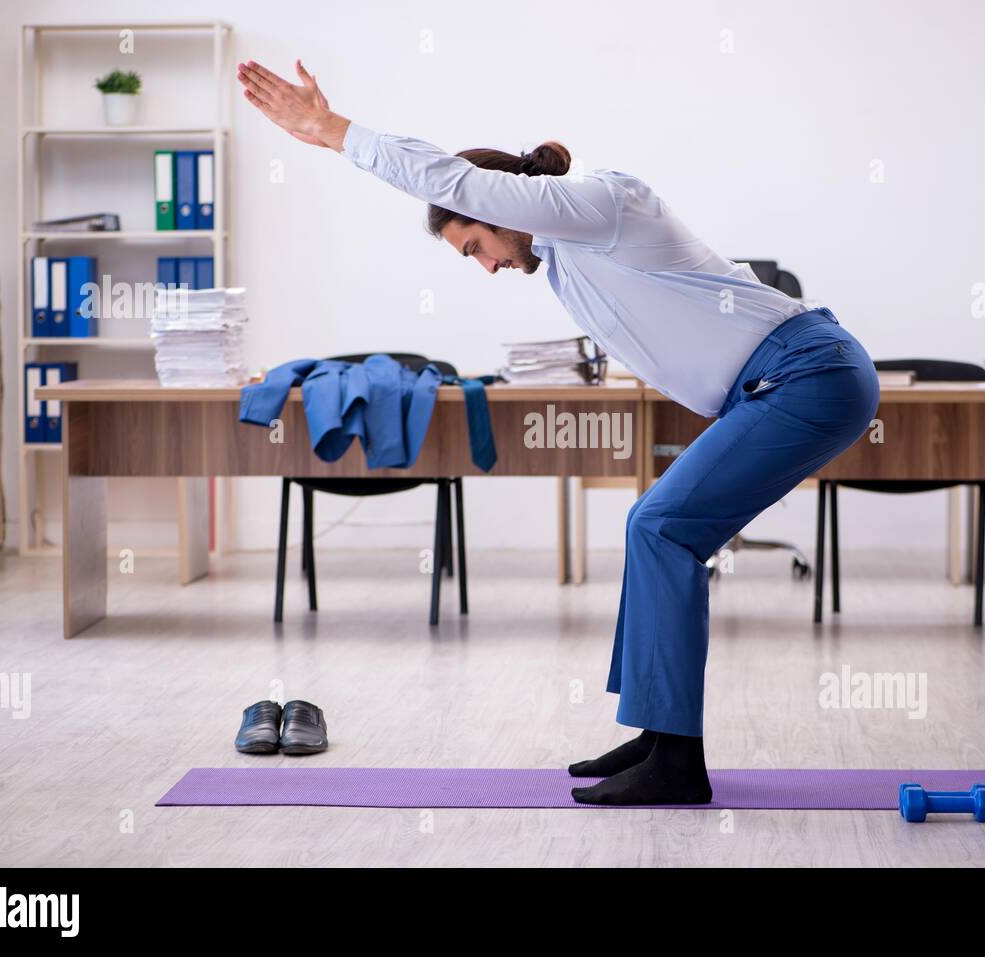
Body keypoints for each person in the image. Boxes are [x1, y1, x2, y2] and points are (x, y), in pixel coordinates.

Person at [238, 59, 880, 806]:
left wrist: (333, 132)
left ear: (499, 208)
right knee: (657, 528)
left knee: (660, 526)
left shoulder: (598, 203)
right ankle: (655, 732)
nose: (483, 267)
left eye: (474, 247)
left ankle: (677, 760)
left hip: (808, 372)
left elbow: (452, 178)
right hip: (772, 386)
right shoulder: (566, 265)